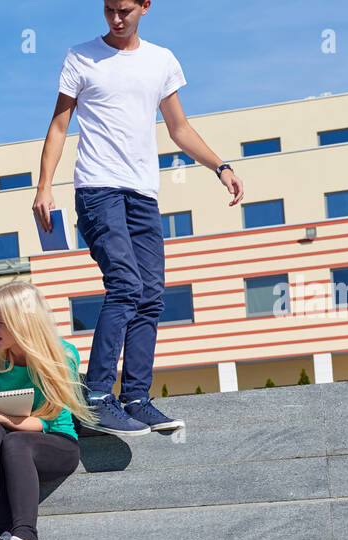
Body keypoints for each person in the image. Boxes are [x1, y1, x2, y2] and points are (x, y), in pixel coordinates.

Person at [32, 0, 243, 436]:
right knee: (126, 284)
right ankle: (96, 394)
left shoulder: (161, 61)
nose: (116, 18)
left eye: (125, 9)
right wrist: (44, 186)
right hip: (98, 189)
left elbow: (179, 127)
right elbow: (59, 125)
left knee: (150, 295)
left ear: (146, 6)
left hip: (143, 194)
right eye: (109, 9)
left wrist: (221, 167)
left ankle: (136, 398)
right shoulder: (81, 56)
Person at [0, 281, 92, 540]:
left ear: (22, 323)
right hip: (8, 439)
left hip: (55, 442)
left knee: (16, 443)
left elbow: (47, 420)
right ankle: (1, 536)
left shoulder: (61, 355)